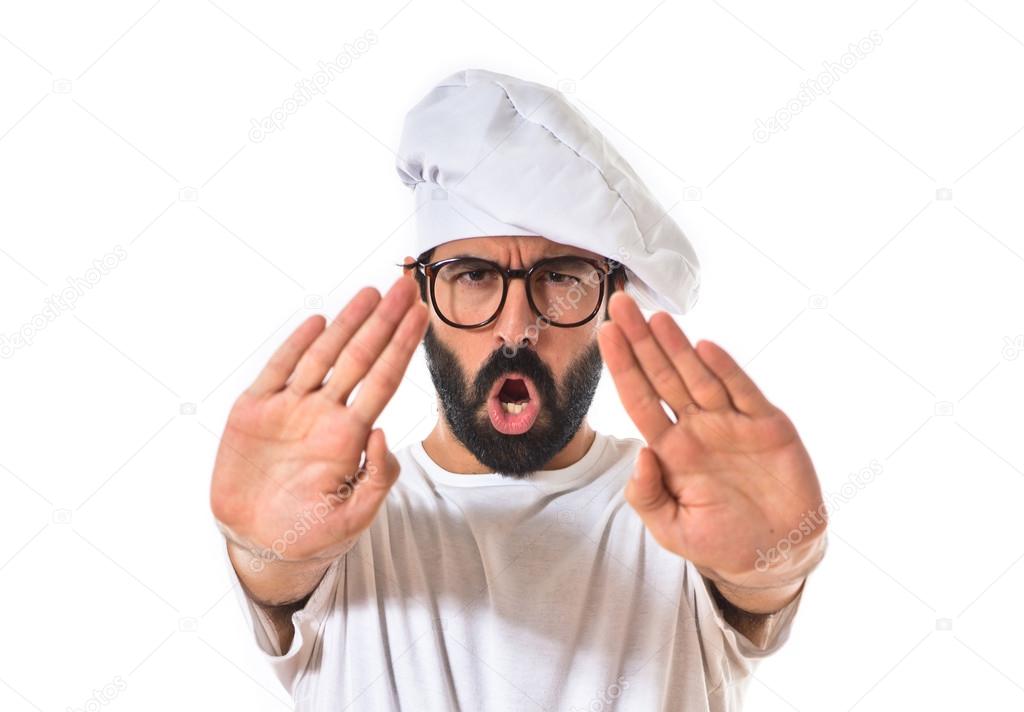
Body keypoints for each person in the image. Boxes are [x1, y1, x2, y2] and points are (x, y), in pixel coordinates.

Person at [210, 69, 827, 711]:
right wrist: (266, 552)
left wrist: (772, 569)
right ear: (420, 291)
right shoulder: (338, 517)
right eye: (474, 275)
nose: (516, 328)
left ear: (612, 299)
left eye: (560, 277)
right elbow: (283, 585)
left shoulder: (687, 510)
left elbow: (750, 596)